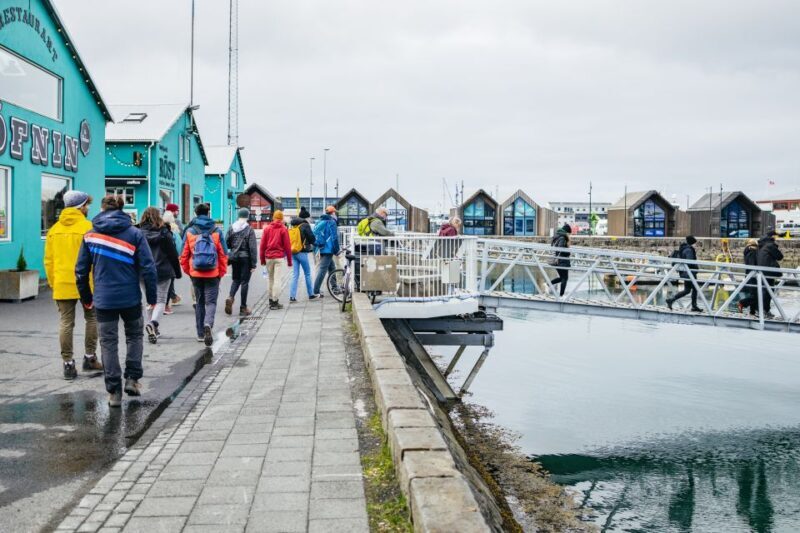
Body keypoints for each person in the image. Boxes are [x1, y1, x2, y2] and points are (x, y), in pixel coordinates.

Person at [76, 195, 157, 407]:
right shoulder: (135, 234)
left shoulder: (90, 235)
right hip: (130, 297)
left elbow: (80, 271)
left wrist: (87, 298)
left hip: (103, 300)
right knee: (134, 336)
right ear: (122, 209)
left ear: (102, 209)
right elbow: (148, 268)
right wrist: (152, 297)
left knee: (108, 343)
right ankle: (132, 379)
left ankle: (114, 392)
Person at [44, 190, 102, 380]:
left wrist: (54, 283)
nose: (88, 208)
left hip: (62, 282)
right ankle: (90, 357)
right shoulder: (89, 227)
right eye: (86, 205)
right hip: (87, 283)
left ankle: (68, 364)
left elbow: (48, 261)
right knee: (92, 319)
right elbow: (96, 258)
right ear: (80, 207)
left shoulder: (54, 230)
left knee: (66, 323)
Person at [181, 203, 228, 346]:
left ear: (195, 213)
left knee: (199, 302)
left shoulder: (190, 230)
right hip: (213, 273)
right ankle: (208, 324)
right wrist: (221, 272)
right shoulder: (216, 230)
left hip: (195, 273)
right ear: (208, 213)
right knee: (211, 302)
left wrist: (188, 271)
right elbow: (224, 254)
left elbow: (183, 254)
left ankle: (201, 333)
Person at [138, 208, 182, 343]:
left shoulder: (137, 233)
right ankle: (153, 324)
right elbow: (173, 254)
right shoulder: (164, 233)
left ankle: (153, 329)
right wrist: (177, 271)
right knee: (161, 299)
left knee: (150, 300)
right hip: (163, 270)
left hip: (143, 271)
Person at [225, 208, 258, 316]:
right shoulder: (249, 229)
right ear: (247, 216)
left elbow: (226, 243)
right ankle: (243, 307)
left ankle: (230, 297)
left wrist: (233, 247)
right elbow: (253, 248)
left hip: (234, 257)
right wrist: (253, 263)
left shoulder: (231, 228)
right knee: (244, 282)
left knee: (236, 280)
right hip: (245, 258)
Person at [259, 210, 293, 309]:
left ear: (273, 218)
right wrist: (290, 261)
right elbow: (287, 246)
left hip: (268, 257)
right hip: (279, 257)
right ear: (281, 219)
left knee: (270, 279)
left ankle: (270, 299)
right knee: (277, 280)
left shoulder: (267, 229)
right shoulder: (283, 229)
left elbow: (262, 246)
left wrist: (262, 259)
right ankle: (275, 301)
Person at [666, 235, 701, 312]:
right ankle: (694, 306)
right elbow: (689, 262)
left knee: (687, 290)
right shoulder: (689, 250)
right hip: (689, 273)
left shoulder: (684, 248)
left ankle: (671, 300)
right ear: (692, 243)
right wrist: (696, 267)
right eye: (695, 243)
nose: (696, 245)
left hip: (685, 273)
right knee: (695, 288)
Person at [289, 213, 318, 303]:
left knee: (295, 275)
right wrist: (316, 244)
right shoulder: (305, 225)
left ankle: (292, 297)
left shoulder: (293, 225)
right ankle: (311, 295)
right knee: (307, 274)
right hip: (302, 252)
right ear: (306, 217)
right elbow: (312, 238)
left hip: (293, 251)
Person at [313, 206, 341, 297]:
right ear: (332, 213)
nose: (335, 214)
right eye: (335, 213)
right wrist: (337, 250)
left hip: (320, 247)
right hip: (328, 249)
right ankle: (316, 290)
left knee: (332, 267)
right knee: (323, 270)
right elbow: (334, 237)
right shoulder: (331, 222)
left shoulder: (320, 221)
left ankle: (334, 287)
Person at [756, 230, 784, 317]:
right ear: (772, 238)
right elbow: (780, 256)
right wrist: (776, 247)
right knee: (769, 291)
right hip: (769, 271)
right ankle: (764, 311)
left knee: (764, 291)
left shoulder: (761, 245)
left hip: (761, 271)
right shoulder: (770, 245)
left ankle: (761, 310)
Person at [162, 210, 182, 314]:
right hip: (170, 259)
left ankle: (153, 303)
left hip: (157, 259)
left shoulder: (158, 227)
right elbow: (178, 245)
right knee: (169, 282)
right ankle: (166, 306)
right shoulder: (174, 228)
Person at [737, 238, 759, 315]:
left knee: (754, 294)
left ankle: (752, 311)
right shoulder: (752, 252)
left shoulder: (749, 251)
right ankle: (742, 303)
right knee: (756, 295)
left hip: (751, 275)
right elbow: (752, 264)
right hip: (753, 276)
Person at [549, 224, 572, 296]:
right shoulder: (562, 237)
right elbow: (560, 249)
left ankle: (547, 284)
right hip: (561, 260)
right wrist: (568, 252)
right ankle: (561, 296)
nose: (569, 235)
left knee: (562, 278)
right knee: (565, 279)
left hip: (558, 261)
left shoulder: (557, 236)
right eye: (569, 233)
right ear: (566, 232)